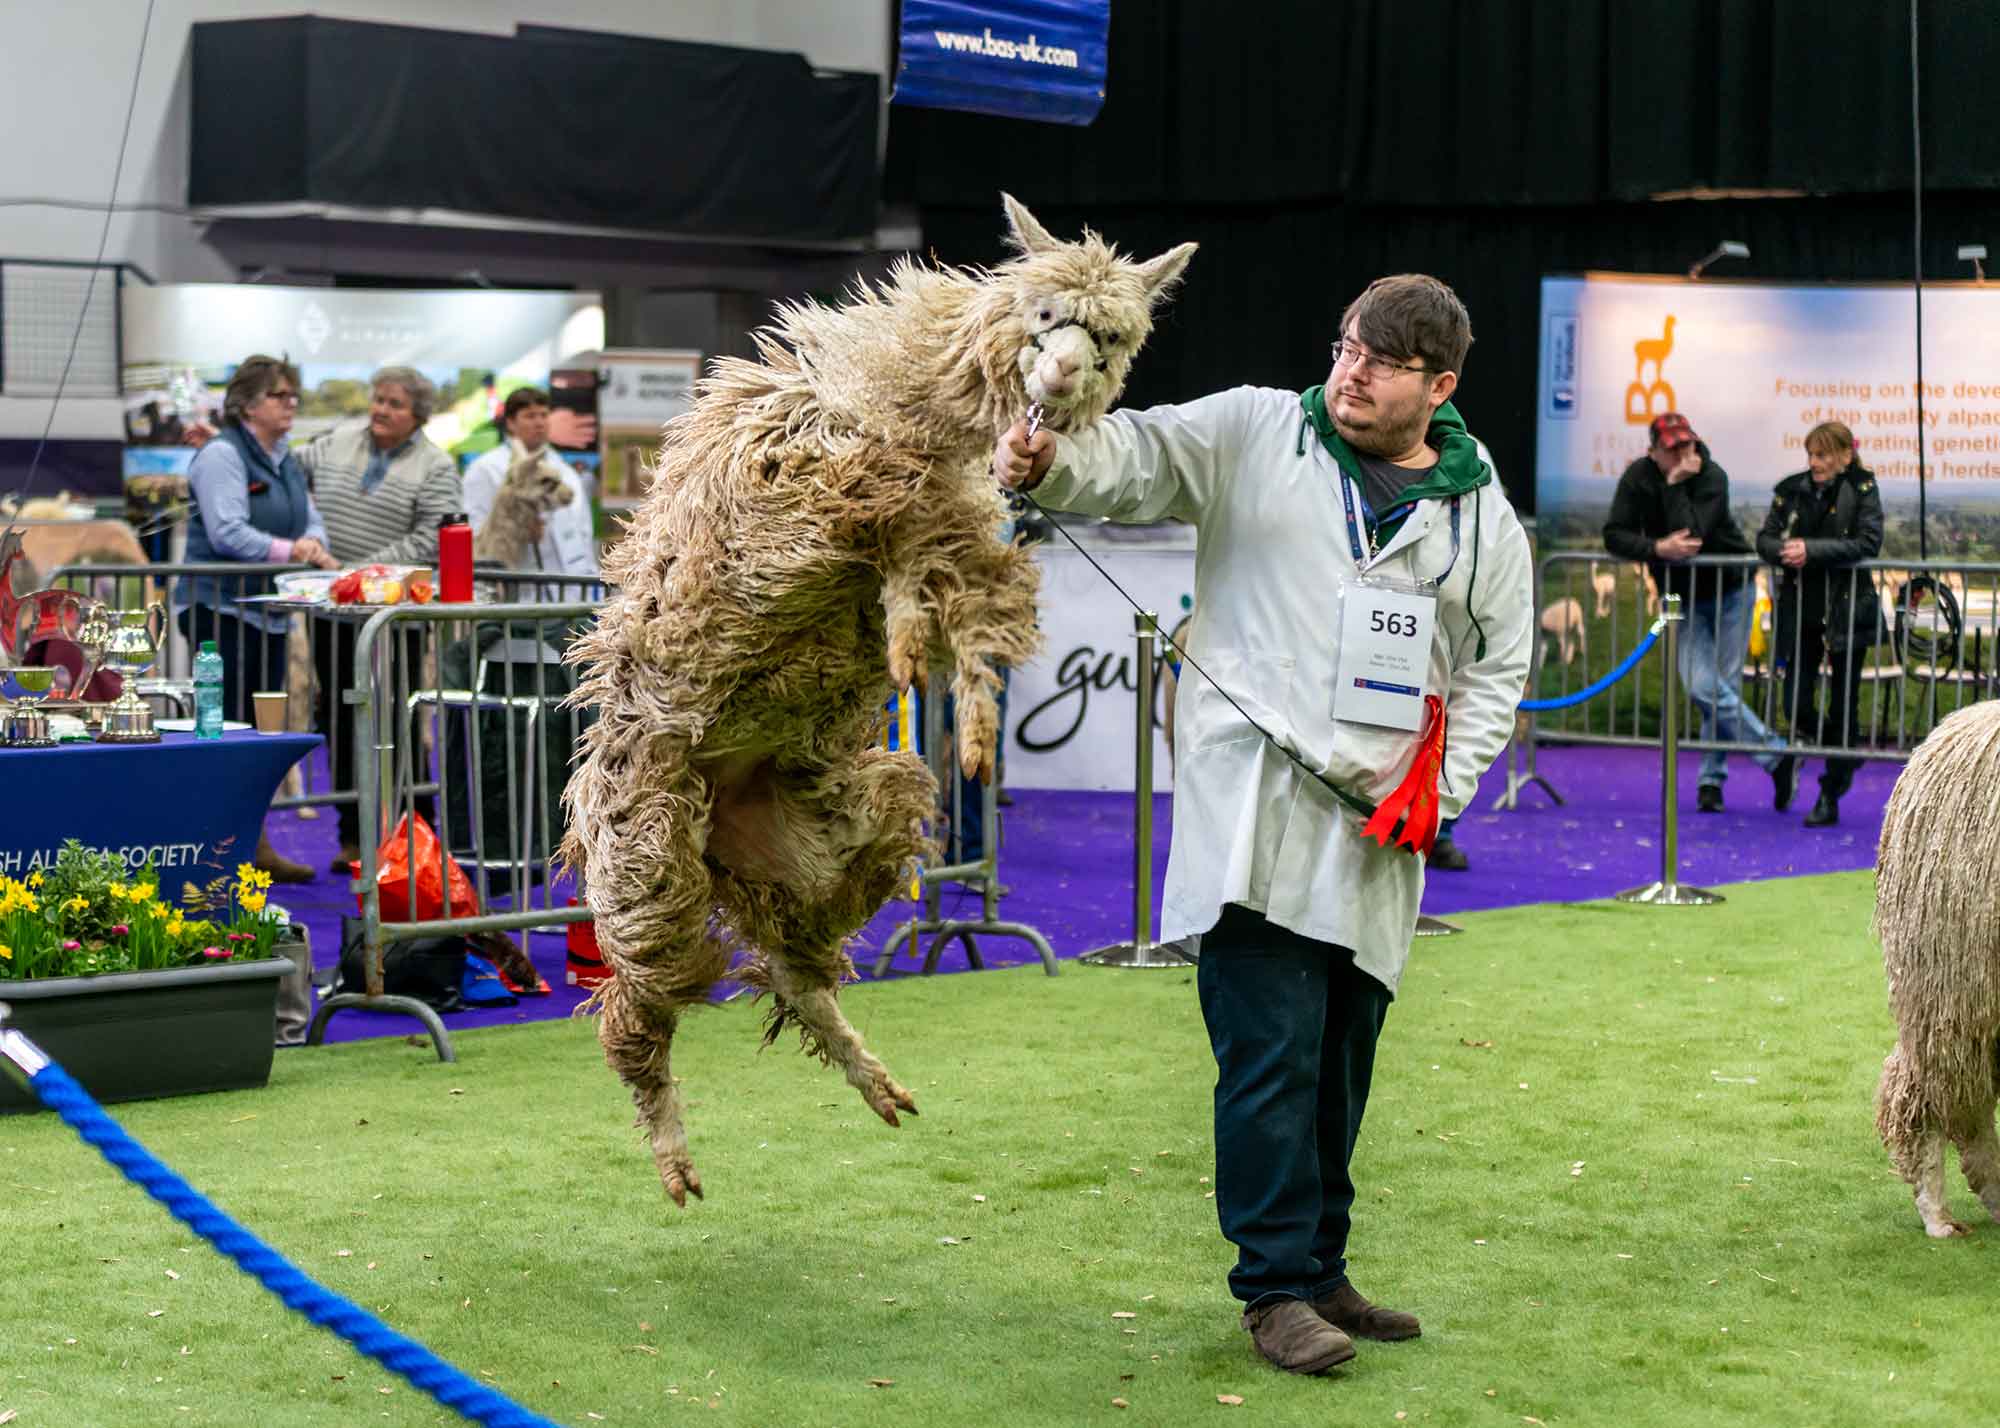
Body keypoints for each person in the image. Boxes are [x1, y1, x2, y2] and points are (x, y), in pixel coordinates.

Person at [993, 274, 1532, 1377]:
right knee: (1267, 1059)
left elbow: (1496, 666)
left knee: (1339, 1064)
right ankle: (1273, 1289)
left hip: (1377, 829)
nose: (1351, 373)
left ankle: (1322, 1267)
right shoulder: (1251, 430)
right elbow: (1133, 458)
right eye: (1345, 347)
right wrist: (1051, 462)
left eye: (1382, 363)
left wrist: (1442, 793)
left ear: (1440, 385)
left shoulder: (1477, 511)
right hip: (1253, 815)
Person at [175, 354, 339, 884]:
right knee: (228, 733)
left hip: (266, 613)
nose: (291, 404)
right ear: (246, 404)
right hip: (217, 612)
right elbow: (227, 533)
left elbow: (311, 521)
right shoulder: (222, 455)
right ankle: (215, 850)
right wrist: (299, 550)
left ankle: (252, 841)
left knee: (259, 735)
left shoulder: (285, 458)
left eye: (294, 395)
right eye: (279, 395)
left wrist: (312, 547)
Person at [293, 366, 464, 869]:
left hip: (393, 618)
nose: (381, 410)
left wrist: (360, 572)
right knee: (343, 720)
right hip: (334, 611)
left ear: (418, 416)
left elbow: (434, 534)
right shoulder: (336, 442)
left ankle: (418, 839)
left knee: (402, 722)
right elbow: (285, 470)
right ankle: (353, 839)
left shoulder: (436, 466)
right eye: (378, 399)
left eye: (394, 404)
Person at [1603, 412, 1796, 814]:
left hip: (1731, 592)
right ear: (1653, 451)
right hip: (1681, 600)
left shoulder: (1712, 476)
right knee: (1702, 686)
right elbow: (1614, 534)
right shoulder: (1637, 477)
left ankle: (1711, 782)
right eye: (1673, 449)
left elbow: (1691, 537)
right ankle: (1777, 755)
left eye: (1688, 445)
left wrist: (1675, 486)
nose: (1683, 454)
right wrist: (1656, 549)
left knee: (1721, 685)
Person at [1754, 421, 1883, 827]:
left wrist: (1812, 550)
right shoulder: (1790, 488)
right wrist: (1783, 551)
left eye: (1824, 455)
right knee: (1794, 703)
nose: (1815, 463)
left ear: (1846, 455)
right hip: (1801, 612)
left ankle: (1830, 791)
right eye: (1811, 454)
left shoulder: (1863, 489)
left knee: (1844, 704)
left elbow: (1868, 542)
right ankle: (1844, 748)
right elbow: (1765, 539)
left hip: (1847, 609)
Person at [462, 386, 601, 599]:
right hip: (516, 589)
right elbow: (475, 531)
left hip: (570, 590)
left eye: (544, 415)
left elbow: (583, 531)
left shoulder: (564, 470)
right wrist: (518, 530)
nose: (539, 422)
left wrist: (592, 586)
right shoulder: (487, 469)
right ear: (510, 422)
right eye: (529, 416)